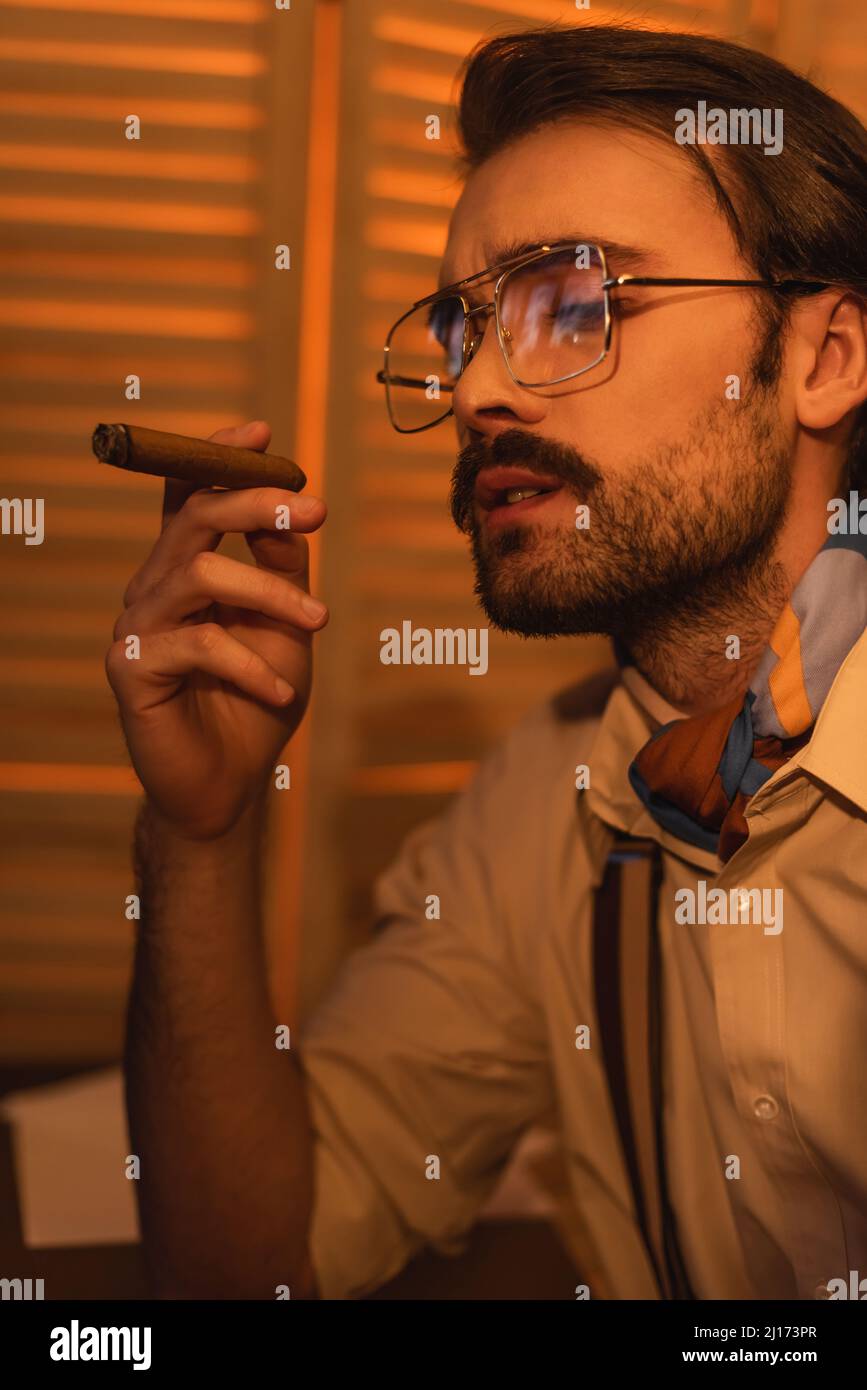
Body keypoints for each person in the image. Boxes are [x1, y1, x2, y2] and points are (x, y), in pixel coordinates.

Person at [108, 25, 867, 1300]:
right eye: (464, 330)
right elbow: (257, 1268)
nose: (477, 395)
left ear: (823, 358)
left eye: (574, 304)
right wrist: (199, 834)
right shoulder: (543, 811)